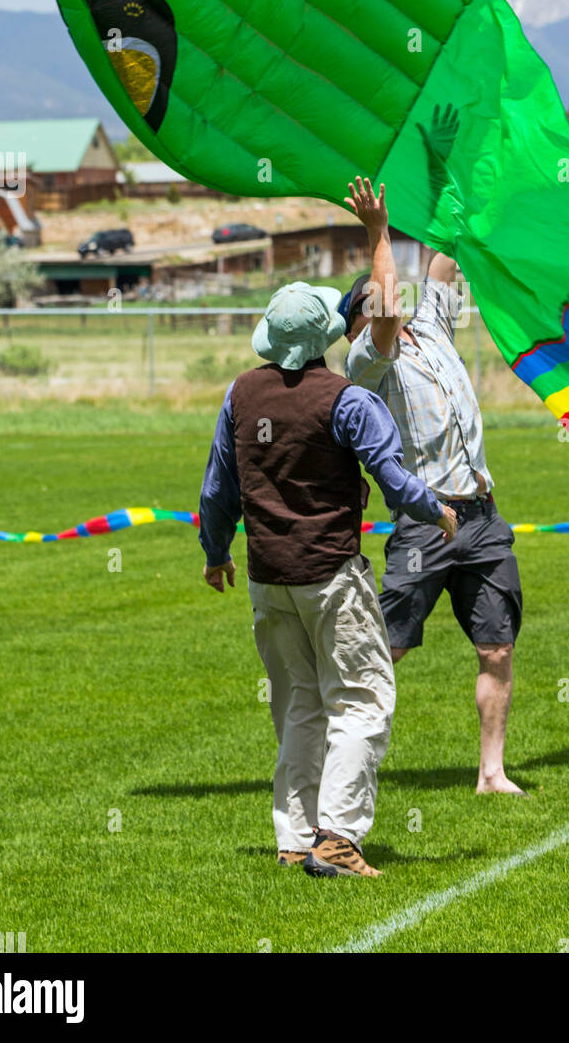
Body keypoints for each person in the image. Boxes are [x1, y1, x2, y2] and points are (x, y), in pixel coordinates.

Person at [199, 279, 457, 878]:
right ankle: (338, 837)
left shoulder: (240, 395)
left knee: (298, 707)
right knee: (364, 700)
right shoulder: (347, 401)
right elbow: (394, 481)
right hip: (331, 575)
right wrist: (436, 510)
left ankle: (294, 839)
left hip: (267, 577)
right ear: (326, 337)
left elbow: (217, 489)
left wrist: (216, 554)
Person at [341, 178, 526, 795]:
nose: (390, 295)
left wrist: (452, 169)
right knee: (387, 651)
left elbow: (445, 256)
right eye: (376, 295)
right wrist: (377, 230)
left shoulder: (435, 330)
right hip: (425, 521)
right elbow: (391, 304)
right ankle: (342, 766)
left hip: (481, 516)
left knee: (496, 648)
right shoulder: (365, 360)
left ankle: (491, 773)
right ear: (358, 320)